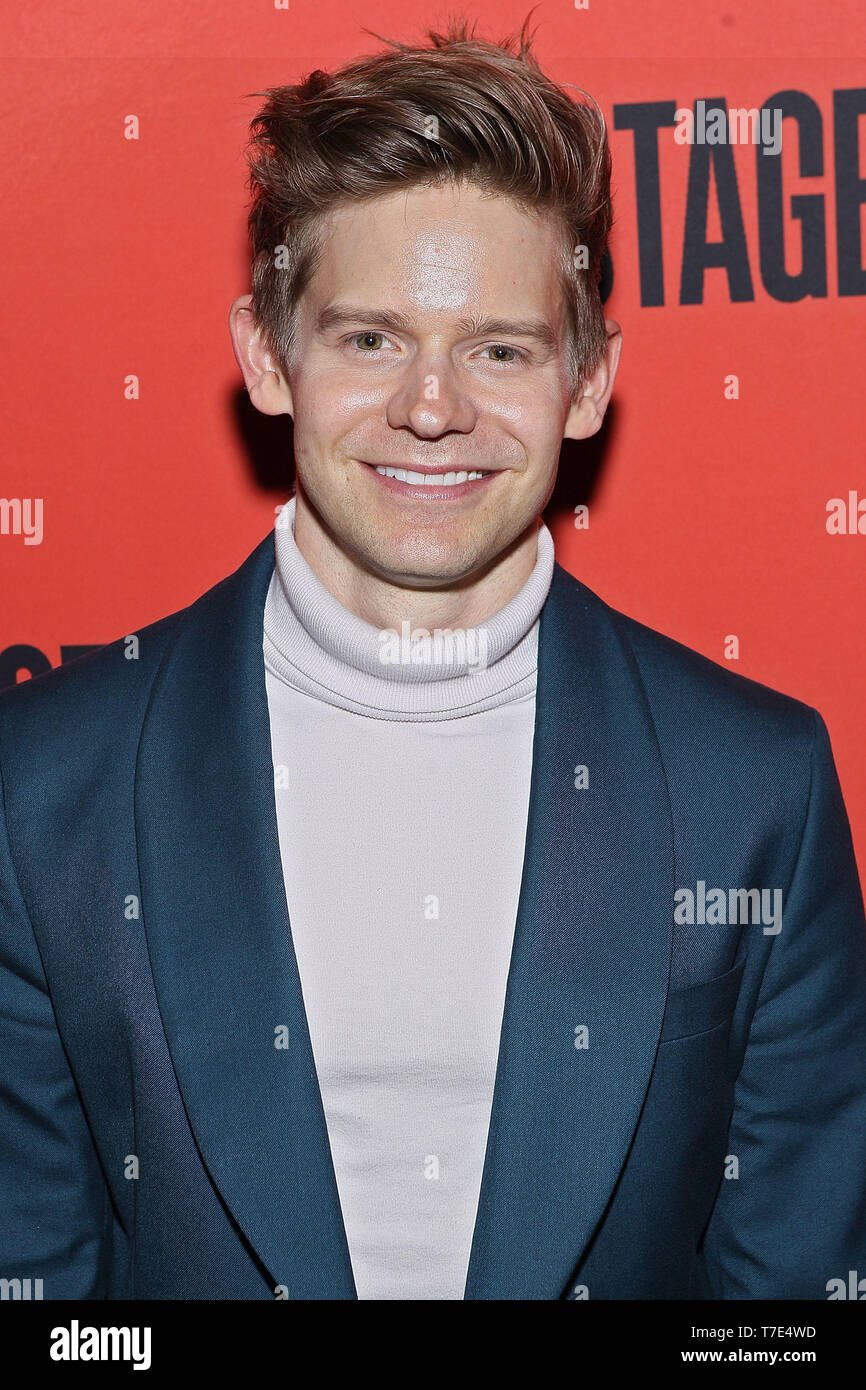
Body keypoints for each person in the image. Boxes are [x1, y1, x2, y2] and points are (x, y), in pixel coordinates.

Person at [1, 18, 864, 1302]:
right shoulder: (44, 781)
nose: (430, 406)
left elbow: (788, 1307)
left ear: (586, 384)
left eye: (498, 348)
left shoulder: (755, 786)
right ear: (264, 356)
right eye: (368, 338)